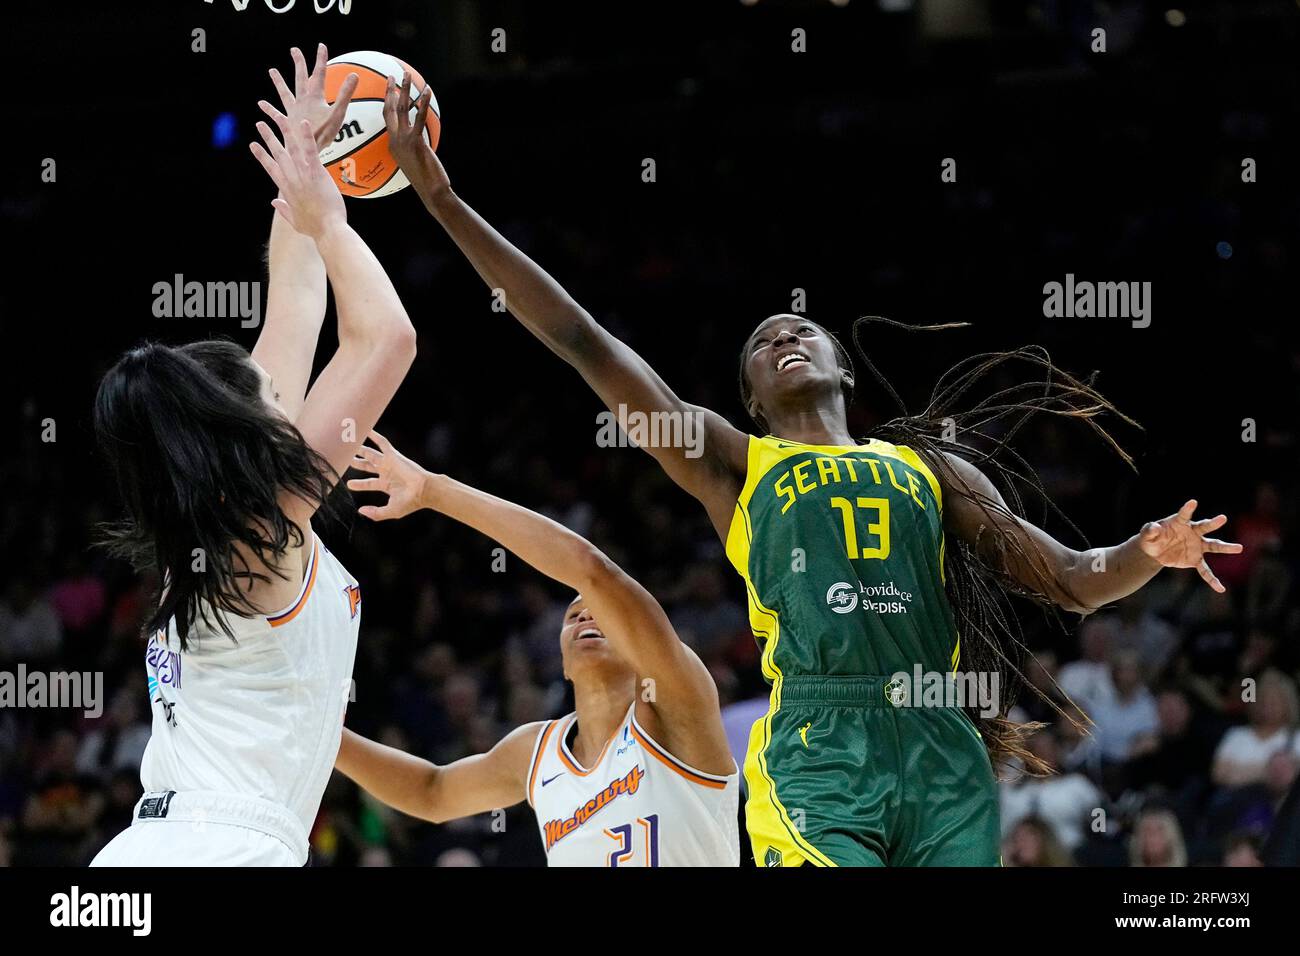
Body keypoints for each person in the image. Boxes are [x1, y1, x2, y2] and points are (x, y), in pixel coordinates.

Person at [377, 76, 1242, 866]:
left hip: (940, 745)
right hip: (820, 745)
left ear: (844, 367)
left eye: (796, 330)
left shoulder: (929, 469)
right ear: (752, 398)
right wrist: (444, 199)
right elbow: (581, 341)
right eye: (759, 344)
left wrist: (1142, 550)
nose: (780, 338)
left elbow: (1070, 581)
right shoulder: (733, 461)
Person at [90, 46, 417, 866]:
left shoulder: (218, 522)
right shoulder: (259, 519)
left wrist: (305, 169)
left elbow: (299, 304)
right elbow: (387, 339)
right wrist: (331, 221)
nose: (282, 378)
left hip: (149, 851)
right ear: (241, 423)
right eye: (264, 384)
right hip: (220, 849)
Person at [334, 432, 739, 866]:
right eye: (572, 616)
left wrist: (434, 490)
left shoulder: (674, 705)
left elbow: (591, 572)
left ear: (640, 646)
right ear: (562, 664)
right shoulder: (537, 751)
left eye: (599, 613)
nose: (585, 616)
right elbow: (432, 792)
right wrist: (326, 734)